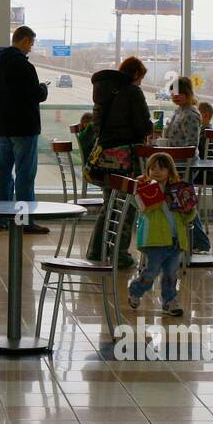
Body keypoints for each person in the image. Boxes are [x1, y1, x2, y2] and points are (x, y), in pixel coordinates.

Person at [87, 56, 154, 266]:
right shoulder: (132, 92)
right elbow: (142, 125)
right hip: (126, 157)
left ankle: (96, 251)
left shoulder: (104, 92)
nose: (140, 82)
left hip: (105, 156)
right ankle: (120, 254)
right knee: (127, 206)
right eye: (141, 77)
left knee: (109, 205)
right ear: (136, 74)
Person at [0, 25, 50, 234]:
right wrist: (43, 88)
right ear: (23, 41)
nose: (31, 48)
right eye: (30, 43)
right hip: (25, 127)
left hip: (3, 128)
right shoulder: (23, 66)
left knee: (2, 173)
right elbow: (34, 95)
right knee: (25, 174)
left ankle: (1, 220)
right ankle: (24, 221)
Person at [127, 152, 196, 319]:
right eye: (152, 168)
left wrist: (189, 209)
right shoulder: (146, 189)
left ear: (170, 171)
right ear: (148, 170)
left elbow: (188, 214)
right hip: (155, 239)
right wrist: (137, 189)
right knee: (152, 271)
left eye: (162, 168)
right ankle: (136, 291)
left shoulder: (178, 190)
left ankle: (170, 301)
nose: (157, 172)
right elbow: (136, 203)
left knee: (171, 273)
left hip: (175, 239)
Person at [155, 76, 211, 254]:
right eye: (173, 94)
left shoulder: (192, 115)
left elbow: (191, 144)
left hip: (184, 165)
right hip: (175, 163)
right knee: (183, 201)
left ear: (187, 93)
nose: (175, 97)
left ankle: (200, 241)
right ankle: (195, 240)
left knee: (184, 201)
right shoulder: (179, 111)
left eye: (179, 93)